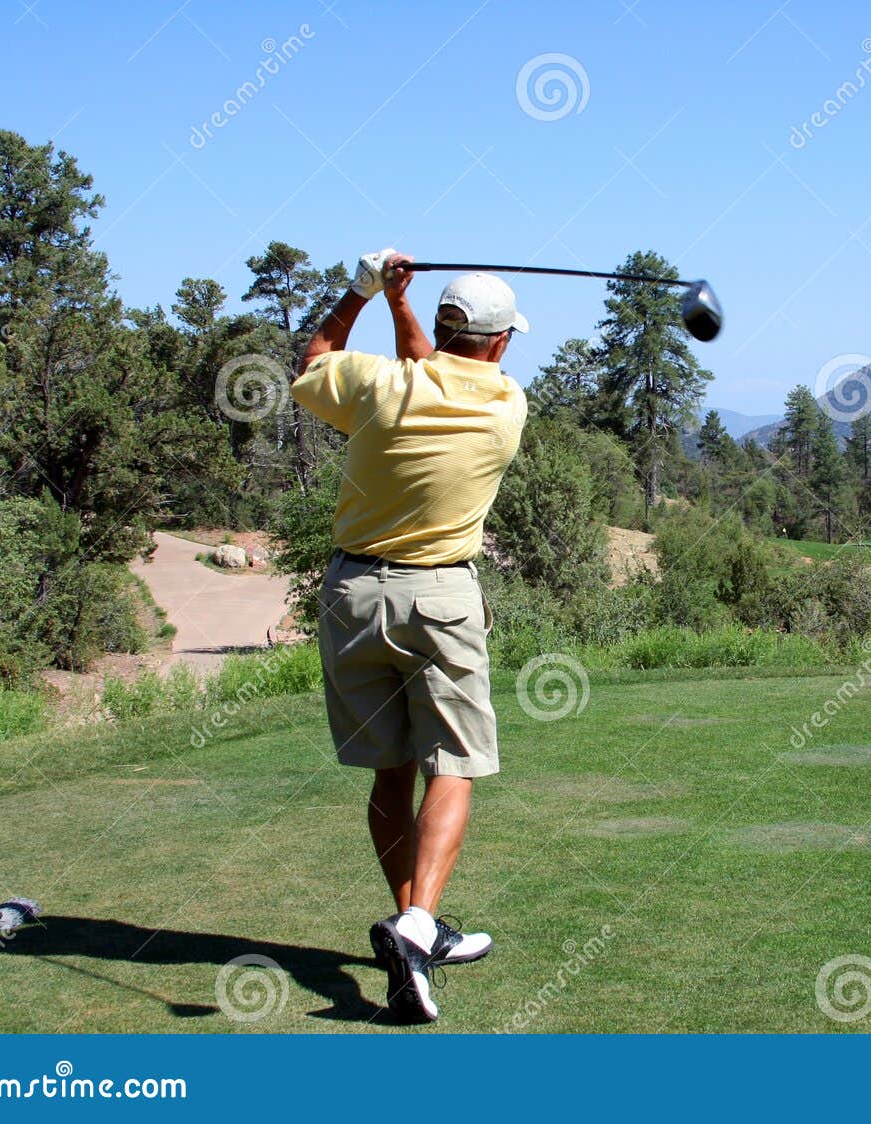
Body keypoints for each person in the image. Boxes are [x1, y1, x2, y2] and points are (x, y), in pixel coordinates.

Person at [291, 248, 529, 1022]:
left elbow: (316, 358)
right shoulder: (503, 403)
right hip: (441, 601)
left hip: (351, 596)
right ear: (498, 344)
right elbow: (438, 372)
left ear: (441, 327)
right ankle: (419, 925)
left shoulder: (379, 388)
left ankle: (411, 928)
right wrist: (403, 309)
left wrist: (367, 293)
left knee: (390, 772)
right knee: (453, 766)